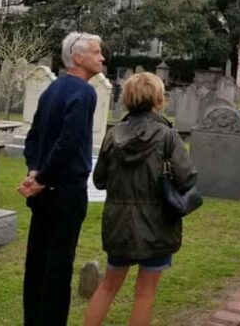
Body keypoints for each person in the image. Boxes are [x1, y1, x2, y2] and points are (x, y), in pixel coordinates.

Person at [84, 72, 197, 326]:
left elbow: (99, 179)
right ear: (159, 99)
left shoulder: (113, 135)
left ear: (127, 98)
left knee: (107, 287)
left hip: (119, 224)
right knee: (144, 293)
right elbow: (187, 178)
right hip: (157, 224)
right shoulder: (168, 136)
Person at [18, 31, 104, 326]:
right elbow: (68, 142)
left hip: (43, 191)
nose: (102, 57)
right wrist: (42, 176)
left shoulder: (51, 90)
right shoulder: (84, 92)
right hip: (65, 191)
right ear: (78, 58)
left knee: (37, 262)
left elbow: (33, 137)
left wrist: (34, 171)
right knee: (58, 267)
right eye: (96, 52)